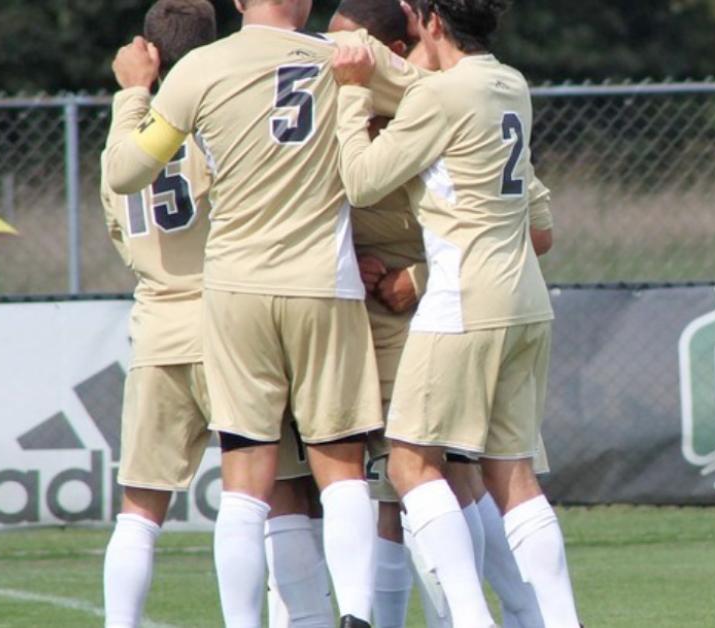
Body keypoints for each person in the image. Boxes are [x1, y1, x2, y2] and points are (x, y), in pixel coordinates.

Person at [103, 0, 426, 625]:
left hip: (234, 291)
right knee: (340, 465)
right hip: (322, 284)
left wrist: (134, 99)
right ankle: (356, 614)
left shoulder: (202, 67)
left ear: (238, 3)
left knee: (247, 480)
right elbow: (440, 103)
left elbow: (127, 170)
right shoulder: (341, 54)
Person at [331, 1, 580, 626]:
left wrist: (353, 93)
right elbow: (538, 221)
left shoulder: (441, 95)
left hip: (463, 298)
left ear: (433, 21)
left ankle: (472, 619)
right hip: (525, 300)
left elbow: (361, 182)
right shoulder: (510, 83)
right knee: (514, 476)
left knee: (412, 463)